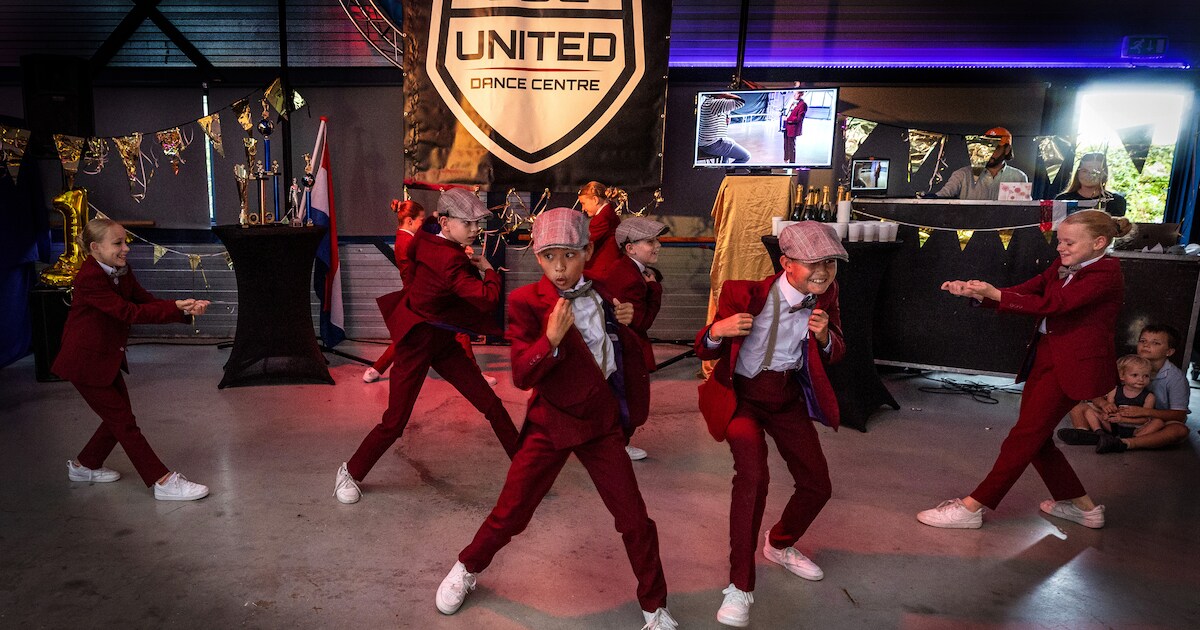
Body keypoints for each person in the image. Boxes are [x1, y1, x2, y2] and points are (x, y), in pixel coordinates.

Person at [434, 207, 677, 630]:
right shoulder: (526, 302)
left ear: (587, 251)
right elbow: (523, 376)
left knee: (635, 519)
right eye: (548, 257)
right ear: (538, 257)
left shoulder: (604, 291)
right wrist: (550, 339)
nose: (559, 268)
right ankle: (466, 568)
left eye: (569, 255)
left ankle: (655, 607)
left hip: (600, 424)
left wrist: (629, 322)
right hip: (552, 422)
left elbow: (631, 335)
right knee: (511, 513)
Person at [917, 210, 1132, 531]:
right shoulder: (1065, 265)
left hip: (1070, 366)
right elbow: (1030, 290)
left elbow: (1052, 305)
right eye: (1059, 241)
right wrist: (981, 293)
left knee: (1024, 437)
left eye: (1069, 242)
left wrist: (996, 295)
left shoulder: (1106, 274)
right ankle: (1085, 509)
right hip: (1046, 357)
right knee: (1036, 438)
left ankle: (972, 507)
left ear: (1099, 243)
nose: (1060, 248)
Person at [695, 221, 847, 628]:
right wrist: (716, 331)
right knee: (753, 477)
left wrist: (827, 337)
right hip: (742, 398)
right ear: (785, 263)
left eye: (830, 262)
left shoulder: (827, 294)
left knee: (818, 483)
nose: (823, 271)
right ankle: (739, 586)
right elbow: (701, 345)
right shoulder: (743, 293)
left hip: (786, 397)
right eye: (812, 262)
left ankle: (779, 543)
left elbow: (837, 351)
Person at [334, 188, 519, 504]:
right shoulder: (447, 259)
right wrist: (488, 269)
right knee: (395, 422)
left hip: (443, 342)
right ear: (446, 224)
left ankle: (527, 468)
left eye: (478, 223)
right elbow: (488, 300)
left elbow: (430, 226)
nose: (476, 230)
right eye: (469, 223)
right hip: (417, 341)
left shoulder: (429, 238)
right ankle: (349, 471)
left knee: (491, 404)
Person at [54, 218, 211, 501]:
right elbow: (128, 312)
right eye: (118, 243)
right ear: (95, 247)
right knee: (124, 422)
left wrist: (182, 308)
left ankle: (84, 465)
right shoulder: (89, 278)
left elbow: (144, 301)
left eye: (126, 242)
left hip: (105, 358)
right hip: (85, 362)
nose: (126, 248)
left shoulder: (120, 270)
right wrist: (176, 310)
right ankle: (162, 481)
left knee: (119, 419)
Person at [1061, 325, 1191, 453]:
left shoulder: (1176, 378)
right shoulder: (1127, 364)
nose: (1146, 345)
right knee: (1077, 407)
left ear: (1169, 351)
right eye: (1142, 341)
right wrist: (1104, 403)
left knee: (1179, 431)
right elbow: (1097, 393)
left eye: (1155, 343)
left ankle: (1126, 443)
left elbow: (1179, 415)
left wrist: (1143, 412)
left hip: (1150, 421)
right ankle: (1087, 435)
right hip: (1117, 416)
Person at [604, 216, 669, 461]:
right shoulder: (631, 278)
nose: (658, 245)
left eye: (657, 240)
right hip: (627, 349)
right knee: (630, 397)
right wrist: (654, 290)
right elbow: (640, 322)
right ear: (630, 248)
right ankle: (618, 444)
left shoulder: (627, 269)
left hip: (620, 346)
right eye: (650, 241)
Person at [362, 199, 425, 383]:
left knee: (407, 336)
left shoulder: (405, 238)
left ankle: (376, 369)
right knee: (406, 337)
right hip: (417, 295)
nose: (423, 223)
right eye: (421, 219)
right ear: (410, 221)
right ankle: (376, 368)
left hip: (415, 293)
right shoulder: (408, 242)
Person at [933, 127, 1028, 200]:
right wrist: (930, 198)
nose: (988, 152)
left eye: (995, 148)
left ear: (1007, 150)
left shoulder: (1018, 177)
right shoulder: (962, 174)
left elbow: (1021, 211)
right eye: (986, 147)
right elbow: (941, 197)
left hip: (1003, 226)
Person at [1056, 152, 1127, 217]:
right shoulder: (1062, 199)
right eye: (1084, 171)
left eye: (1095, 172)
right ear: (1078, 173)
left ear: (1104, 174)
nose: (1089, 175)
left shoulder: (1116, 201)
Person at [578, 180, 623, 277]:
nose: (582, 208)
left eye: (583, 203)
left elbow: (584, 242)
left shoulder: (602, 219)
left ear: (595, 200)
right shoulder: (607, 214)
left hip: (603, 271)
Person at [698, 93, 751, 164]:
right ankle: (726, 171)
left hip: (707, 142)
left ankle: (723, 166)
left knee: (730, 141)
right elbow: (740, 102)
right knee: (746, 156)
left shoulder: (707, 102)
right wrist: (725, 94)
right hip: (713, 144)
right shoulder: (714, 103)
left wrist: (726, 116)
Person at [781, 91, 808, 164]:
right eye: (794, 93)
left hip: (793, 128)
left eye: (796, 93)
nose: (794, 95)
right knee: (786, 144)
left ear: (801, 94)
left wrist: (788, 119)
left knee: (791, 145)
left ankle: (792, 163)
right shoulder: (793, 103)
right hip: (787, 127)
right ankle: (786, 159)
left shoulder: (803, 105)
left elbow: (799, 118)